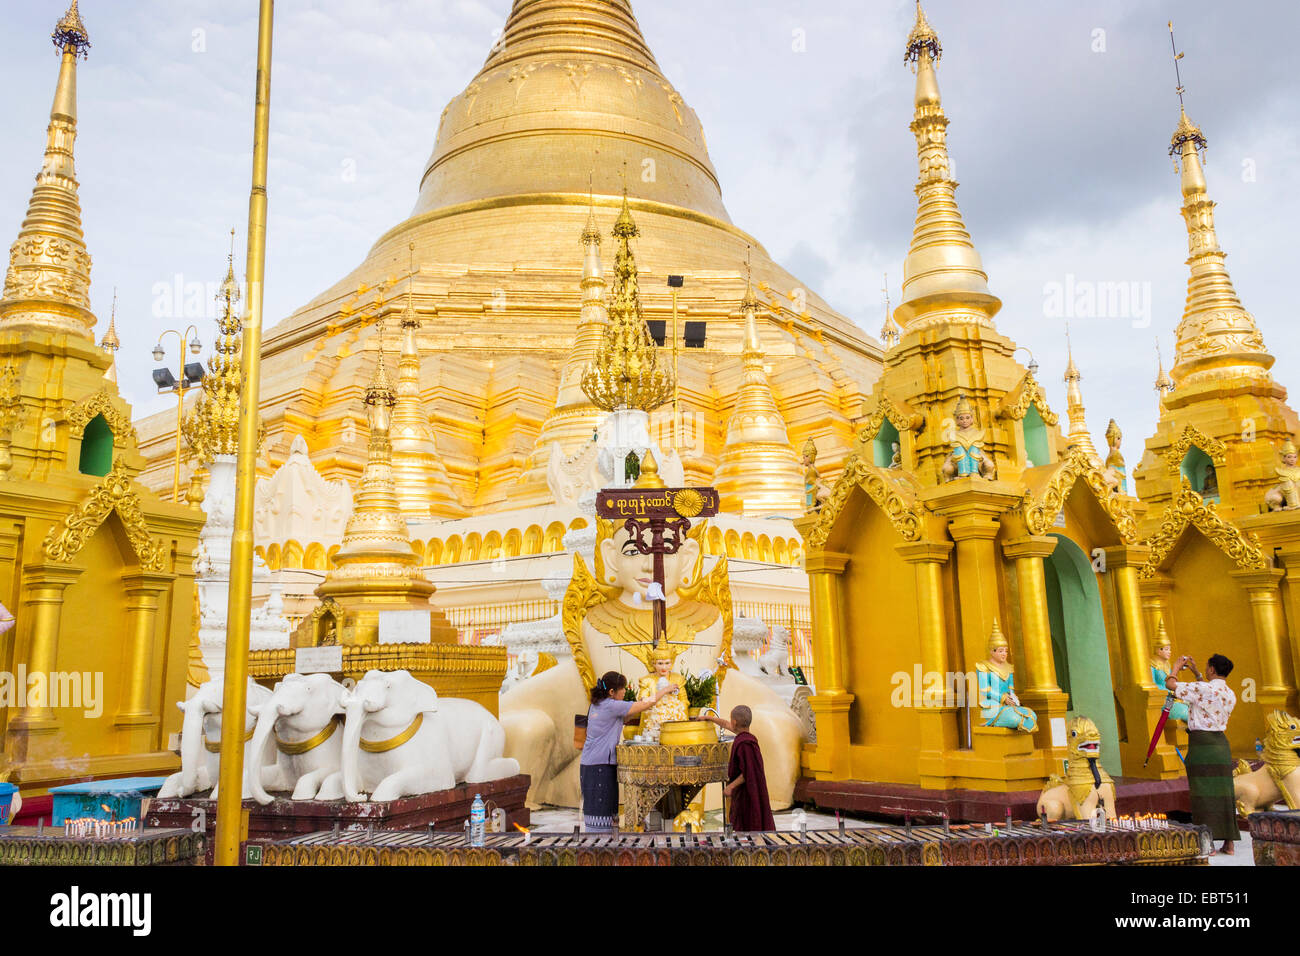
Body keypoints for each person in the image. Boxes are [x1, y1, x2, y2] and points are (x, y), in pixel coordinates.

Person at [579, 670, 677, 833]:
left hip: (589, 764)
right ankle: (601, 849)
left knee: (597, 812)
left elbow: (624, 718)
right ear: (612, 692)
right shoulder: (611, 705)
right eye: (622, 689)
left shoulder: (597, 704)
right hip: (600, 766)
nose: (625, 691)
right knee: (602, 813)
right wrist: (665, 690)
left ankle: (597, 847)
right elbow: (647, 703)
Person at [1166, 653, 1240, 855]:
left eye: (1207, 668)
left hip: (1202, 746)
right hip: (1221, 745)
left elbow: (1171, 685)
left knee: (1203, 795)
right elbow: (1205, 694)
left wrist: (1175, 667)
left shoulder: (1204, 689)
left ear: (1212, 669)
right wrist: (1197, 672)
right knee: (1225, 794)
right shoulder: (1229, 693)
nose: (1206, 671)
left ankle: (1208, 843)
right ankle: (1229, 843)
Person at [697, 705, 775, 831]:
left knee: (749, 823)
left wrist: (730, 787)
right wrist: (708, 718)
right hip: (750, 789)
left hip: (747, 792)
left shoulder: (745, 744)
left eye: (731, 720)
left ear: (735, 722)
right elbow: (725, 724)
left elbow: (747, 772)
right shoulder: (746, 736)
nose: (729, 722)